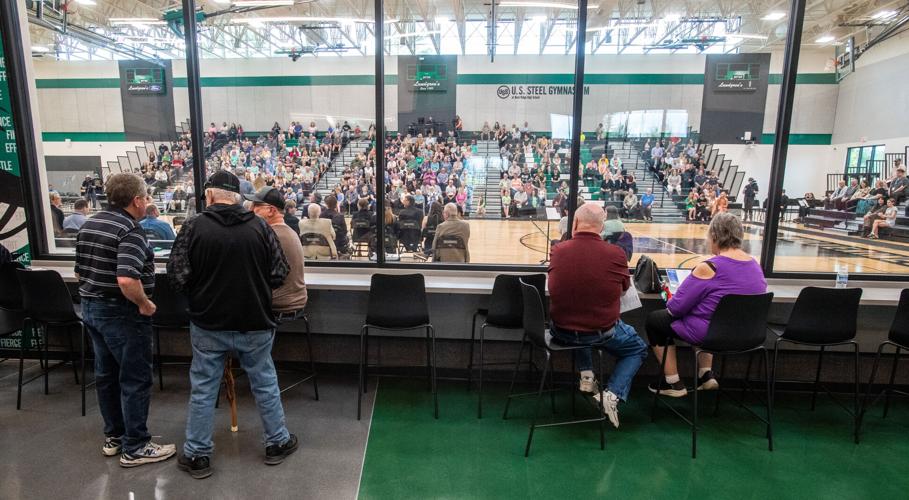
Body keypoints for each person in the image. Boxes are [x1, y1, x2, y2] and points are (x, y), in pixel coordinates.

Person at [167, 171, 297, 479]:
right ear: (238, 197)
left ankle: (197, 455)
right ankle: (277, 442)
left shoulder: (193, 227)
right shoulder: (261, 228)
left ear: (210, 195)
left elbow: (176, 276)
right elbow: (279, 273)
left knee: (203, 389)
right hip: (254, 321)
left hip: (208, 322)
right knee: (264, 383)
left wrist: (202, 291)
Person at [74, 173, 176, 467]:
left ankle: (115, 437)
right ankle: (136, 446)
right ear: (137, 200)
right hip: (122, 313)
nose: (147, 201)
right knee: (135, 377)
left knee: (106, 375)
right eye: (146, 197)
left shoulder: (90, 223)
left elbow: (79, 271)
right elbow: (127, 279)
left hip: (91, 308)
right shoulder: (130, 230)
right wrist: (144, 303)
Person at [548, 203, 648, 428]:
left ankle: (586, 374)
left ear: (574, 223)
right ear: (602, 227)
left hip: (561, 330)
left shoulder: (558, 250)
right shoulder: (616, 254)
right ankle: (612, 394)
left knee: (579, 312)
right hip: (599, 332)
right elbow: (624, 289)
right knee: (637, 348)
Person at [646, 213, 767, 397]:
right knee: (704, 314)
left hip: (714, 335)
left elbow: (675, 308)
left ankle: (673, 383)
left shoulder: (709, 267)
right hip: (749, 334)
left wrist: (670, 295)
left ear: (715, 236)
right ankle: (706, 375)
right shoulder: (755, 266)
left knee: (655, 321)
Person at [244, 186, 310, 313]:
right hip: (294, 301)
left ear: (271, 210)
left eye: (255, 206)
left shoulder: (268, 235)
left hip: (276, 305)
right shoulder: (289, 232)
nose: (250, 210)